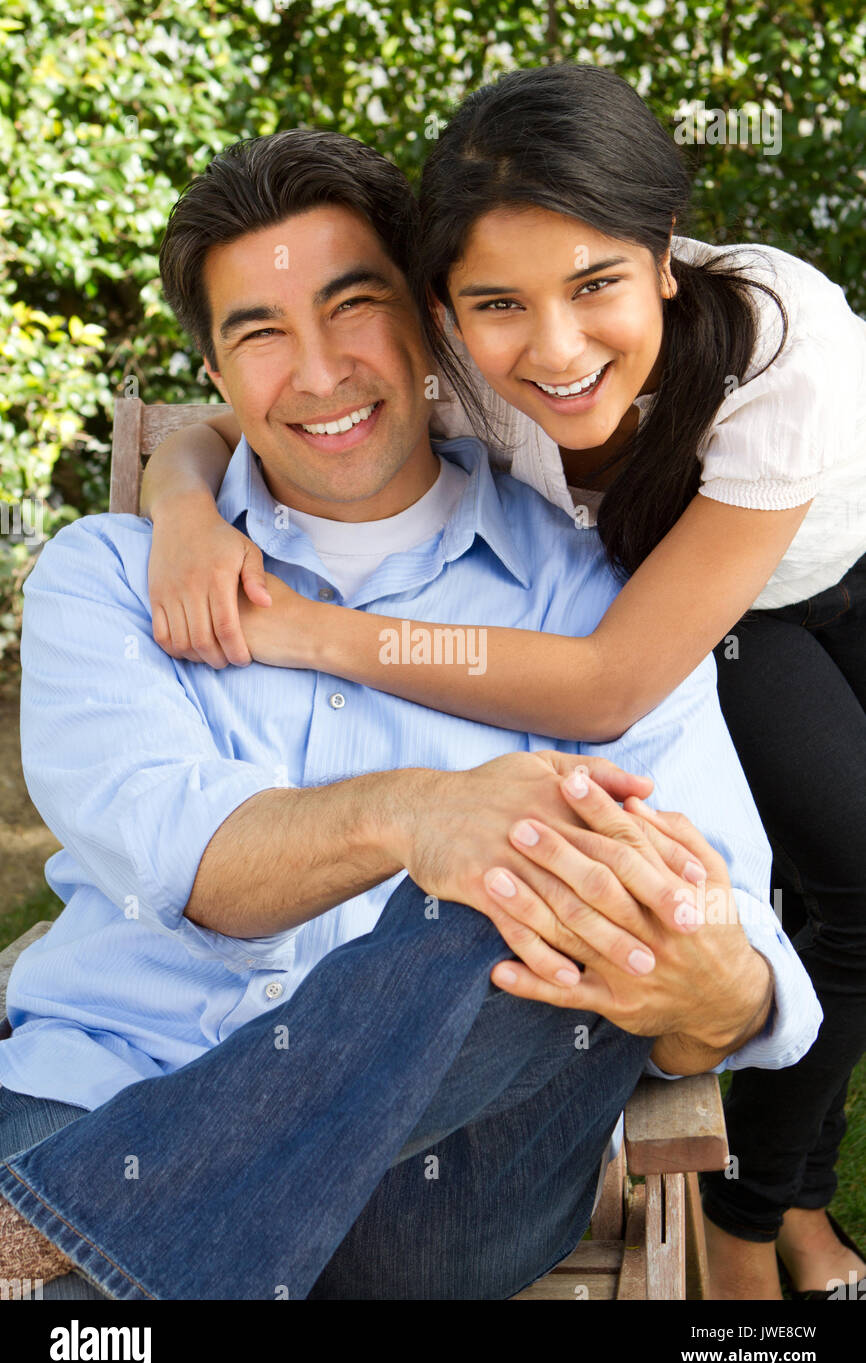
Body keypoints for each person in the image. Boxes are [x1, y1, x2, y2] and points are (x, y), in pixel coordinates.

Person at [0, 127, 819, 1302]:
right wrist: (418, 815)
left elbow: (729, 945)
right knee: (512, 842)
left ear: (430, 318)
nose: (321, 371)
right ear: (217, 378)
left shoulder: (599, 597)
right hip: (108, 1092)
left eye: (352, 307)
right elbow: (196, 865)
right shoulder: (112, 578)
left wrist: (699, 980)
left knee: (535, 867)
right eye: (260, 333)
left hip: (439, 1192)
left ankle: (85, 1239)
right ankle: (128, 1253)